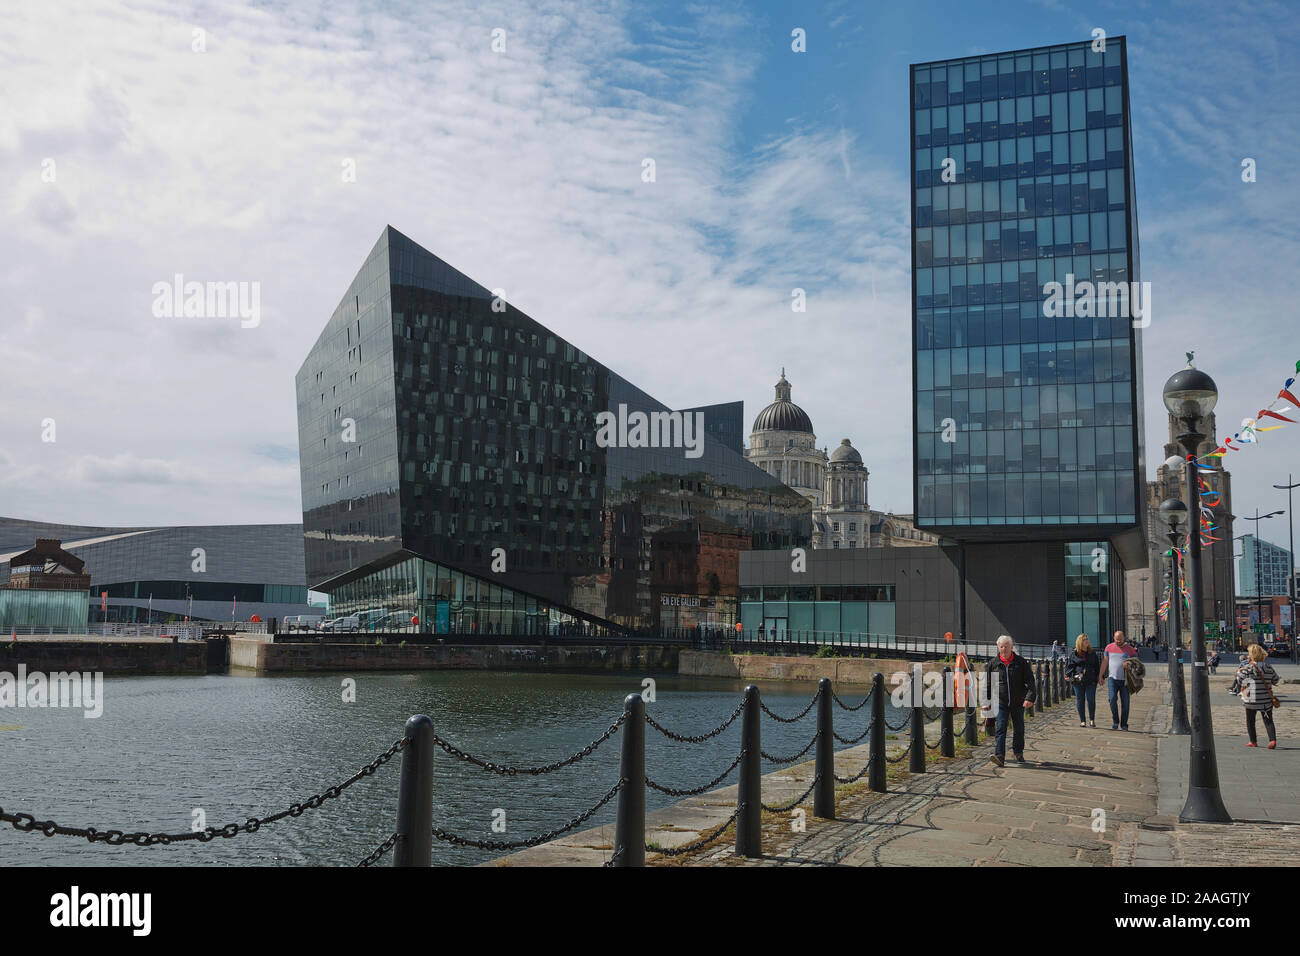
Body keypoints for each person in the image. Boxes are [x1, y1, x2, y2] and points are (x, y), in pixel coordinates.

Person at [984, 635, 1037, 766]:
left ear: (1011, 647)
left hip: (1018, 701)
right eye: (1001, 646)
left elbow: (1030, 681)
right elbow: (988, 684)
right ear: (998, 647)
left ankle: (1018, 752)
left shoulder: (1021, 662)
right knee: (1001, 728)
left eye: (1006, 646)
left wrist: (1029, 698)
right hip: (1000, 701)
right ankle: (999, 755)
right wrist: (986, 702)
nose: (1004, 649)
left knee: (1019, 728)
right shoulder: (993, 664)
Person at [1230, 643, 1280, 749]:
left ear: (1252, 655)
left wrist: (1240, 674)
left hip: (1251, 699)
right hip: (1265, 699)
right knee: (1268, 720)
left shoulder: (1247, 668)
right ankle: (1272, 740)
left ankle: (1253, 741)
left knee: (1250, 721)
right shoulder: (1268, 667)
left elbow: (1239, 680)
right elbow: (1276, 679)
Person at [1101, 630, 1138, 730]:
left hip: (1125, 680)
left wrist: (1129, 664)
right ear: (1114, 638)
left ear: (1124, 638)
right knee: (1112, 699)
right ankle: (1115, 721)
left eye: (1120, 640)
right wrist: (1100, 676)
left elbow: (1137, 664)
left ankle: (1124, 724)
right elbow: (1105, 662)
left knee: (1125, 703)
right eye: (1117, 639)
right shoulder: (1108, 648)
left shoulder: (1130, 650)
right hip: (1112, 679)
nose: (1118, 641)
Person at [1065, 633, 1101, 727]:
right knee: (1080, 700)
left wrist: (1100, 677)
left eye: (1087, 639)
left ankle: (1092, 719)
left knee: (1091, 699)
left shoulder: (1092, 653)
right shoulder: (1074, 653)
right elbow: (1070, 665)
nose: (1087, 641)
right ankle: (1082, 720)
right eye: (1085, 639)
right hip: (1078, 680)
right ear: (1080, 642)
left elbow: (1097, 666)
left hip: (1091, 679)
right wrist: (1067, 675)